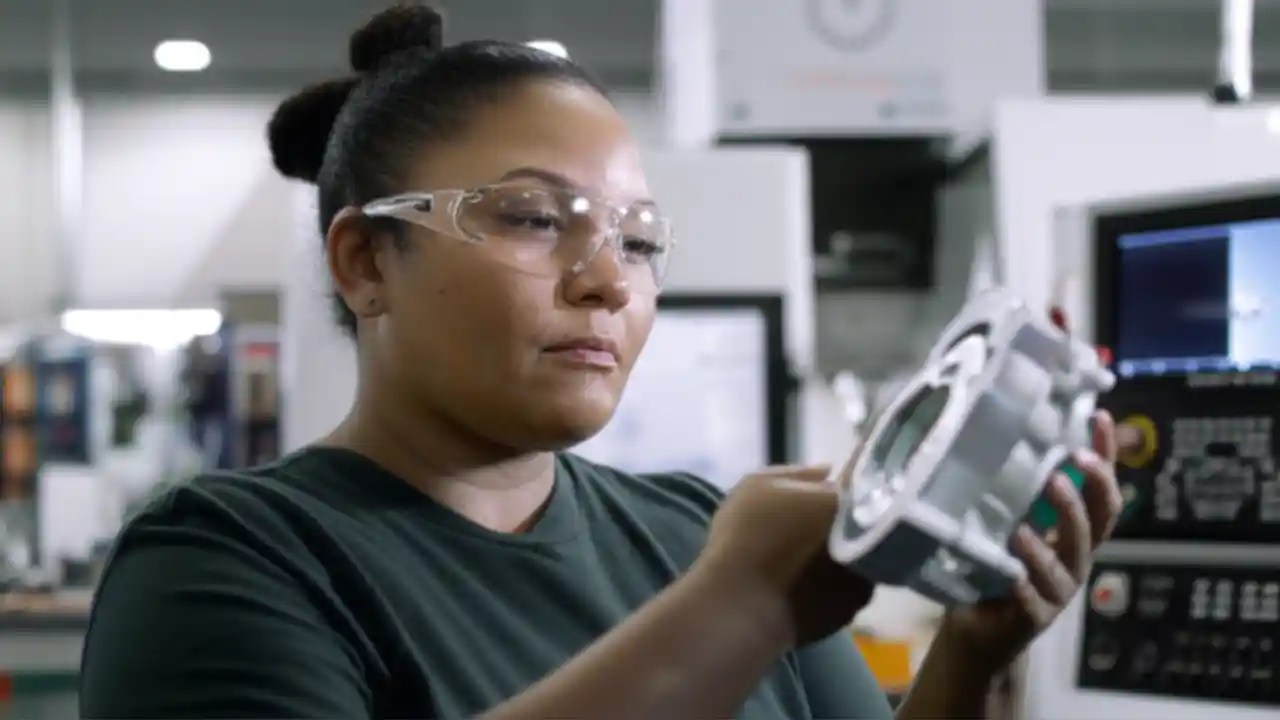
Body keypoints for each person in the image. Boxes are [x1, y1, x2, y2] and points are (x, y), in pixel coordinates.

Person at [78, 4, 1125, 719]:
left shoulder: (691, 529)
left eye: (635, 240)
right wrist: (739, 609)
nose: (606, 282)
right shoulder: (228, 561)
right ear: (364, 262)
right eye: (535, 219)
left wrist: (976, 654)